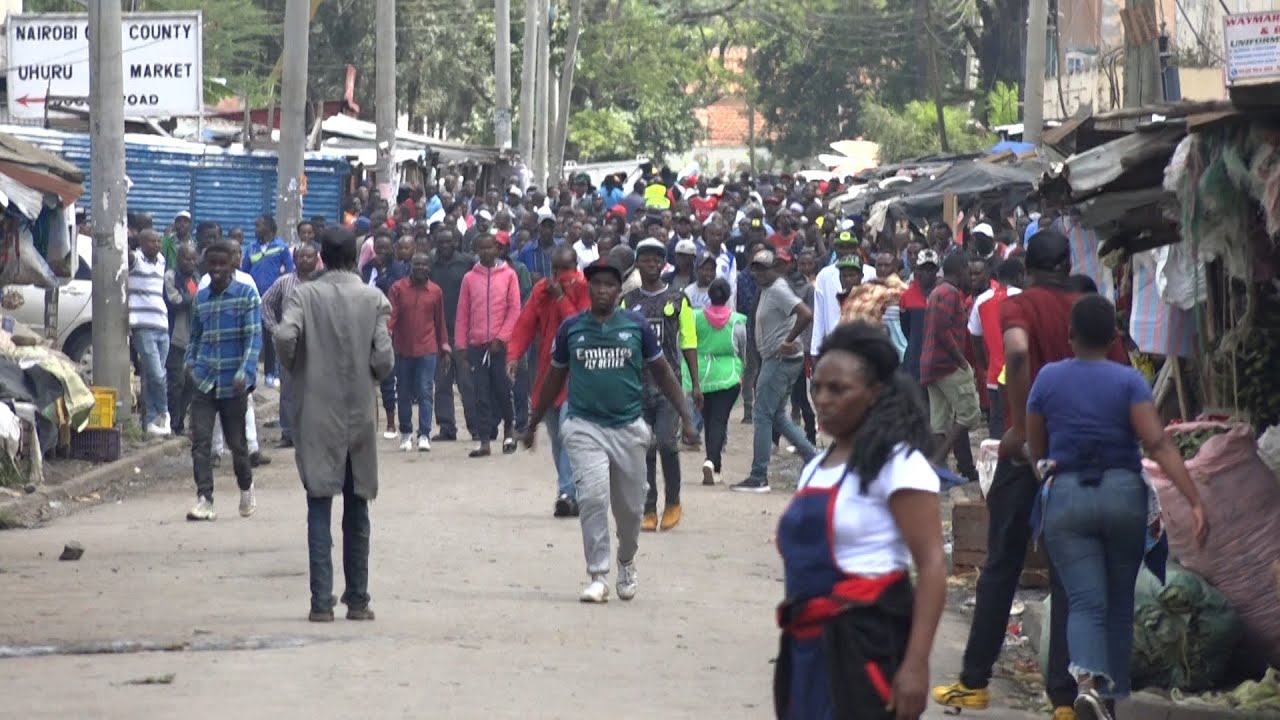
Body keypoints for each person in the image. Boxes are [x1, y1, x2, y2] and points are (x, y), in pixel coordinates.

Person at [931, 230, 1129, 719]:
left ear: (1026, 268)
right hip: (1084, 456)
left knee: (1002, 563)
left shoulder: (1018, 305)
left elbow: (1016, 352)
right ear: (1067, 264)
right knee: (1067, 575)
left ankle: (974, 683)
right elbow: (1122, 371)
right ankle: (1062, 700)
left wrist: (1021, 426)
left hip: (1029, 452)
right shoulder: (1090, 306)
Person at [1028, 294, 1208, 720]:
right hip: (1124, 496)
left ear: (1070, 336)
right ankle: (1108, 698)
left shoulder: (1049, 378)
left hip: (1068, 496)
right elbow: (1159, 443)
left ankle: (1086, 686)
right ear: (1113, 336)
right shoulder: (1129, 381)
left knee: (1084, 600)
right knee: (1117, 602)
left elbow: (1037, 445)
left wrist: (1046, 472)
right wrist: (1194, 499)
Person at [774, 322, 945, 720]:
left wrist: (916, 665)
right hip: (806, 647)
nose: (822, 400)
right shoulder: (815, 468)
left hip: (867, 646)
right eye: (817, 387)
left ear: (875, 394)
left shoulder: (899, 465)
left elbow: (933, 566)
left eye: (839, 390)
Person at [521, 258, 698, 603]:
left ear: (620, 291)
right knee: (593, 498)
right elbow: (554, 377)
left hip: (629, 428)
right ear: (589, 289)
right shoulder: (571, 329)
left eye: (609, 285)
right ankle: (598, 574)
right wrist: (533, 422)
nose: (603, 290)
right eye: (597, 284)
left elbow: (663, 373)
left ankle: (626, 560)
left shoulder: (636, 327)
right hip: (585, 427)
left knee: (631, 510)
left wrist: (687, 417)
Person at [275, 225, 394, 623]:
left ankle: (320, 603)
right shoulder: (373, 298)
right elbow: (384, 360)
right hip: (359, 411)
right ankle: (357, 600)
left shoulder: (303, 295)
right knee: (358, 506)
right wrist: (369, 377)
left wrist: (298, 369)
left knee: (319, 504)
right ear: (355, 254)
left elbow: (285, 335)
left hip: (316, 410)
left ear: (322, 256)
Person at [622, 238, 701, 531]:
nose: (652, 264)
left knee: (667, 443)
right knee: (645, 447)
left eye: (657, 259)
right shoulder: (627, 302)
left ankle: (673, 501)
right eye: (646, 259)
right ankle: (648, 508)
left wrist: (695, 384)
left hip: (669, 387)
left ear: (663, 263)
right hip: (636, 387)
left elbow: (689, 341)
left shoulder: (678, 299)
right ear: (638, 263)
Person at [507, 245, 589, 518]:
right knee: (556, 438)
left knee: (568, 433)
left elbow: (581, 327)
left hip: (576, 376)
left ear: (575, 268)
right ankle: (570, 492)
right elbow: (525, 324)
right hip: (547, 373)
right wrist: (514, 355)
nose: (559, 275)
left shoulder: (584, 288)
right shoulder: (543, 289)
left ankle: (567, 492)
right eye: (555, 270)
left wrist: (562, 298)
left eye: (565, 270)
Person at [184, 241, 261, 522]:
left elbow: (254, 339)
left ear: (232, 265)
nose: (216, 270)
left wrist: (245, 372)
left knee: (237, 444)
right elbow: (194, 337)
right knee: (200, 441)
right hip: (204, 380)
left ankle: (246, 486)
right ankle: (205, 498)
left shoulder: (245, 296)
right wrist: (190, 364)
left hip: (234, 383)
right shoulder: (201, 298)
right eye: (212, 264)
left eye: (222, 264)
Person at [733, 248, 817, 493]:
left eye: (763, 268)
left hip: (780, 360)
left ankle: (759, 476)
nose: (758, 273)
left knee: (762, 414)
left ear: (775, 268)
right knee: (778, 415)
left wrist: (789, 340)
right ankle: (813, 458)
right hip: (779, 360)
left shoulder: (778, 288)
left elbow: (805, 313)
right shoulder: (768, 288)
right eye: (755, 268)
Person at [456, 233, 522, 457]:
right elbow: (463, 313)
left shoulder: (509, 275)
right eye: (480, 248)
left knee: (503, 390)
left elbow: (514, 309)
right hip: (477, 345)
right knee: (480, 393)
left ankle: (509, 431)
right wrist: (461, 344)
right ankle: (484, 440)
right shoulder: (469, 278)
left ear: (497, 249)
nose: (485, 252)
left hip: (500, 346)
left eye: (489, 248)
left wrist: (501, 337)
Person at [920, 251, 981, 483]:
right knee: (969, 414)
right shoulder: (950, 293)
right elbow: (941, 328)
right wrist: (960, 359)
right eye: (968, 271)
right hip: (946, 364)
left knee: (939, 421)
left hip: (931, 365)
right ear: (962, 268)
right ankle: (936, 461)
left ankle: (940, 473)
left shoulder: (938, 291)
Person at [388, 253, 450, 452]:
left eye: (424, 264)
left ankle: (424, 434)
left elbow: (440, 321)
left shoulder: (436, 291)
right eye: (417, 264)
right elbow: (392, 316)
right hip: (403, 349)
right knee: (404, 392)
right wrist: (386, 334)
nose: (420, 267)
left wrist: (445, 347)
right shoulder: (398, 288)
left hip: (427, 348)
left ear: (429, 267)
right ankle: (406, 433)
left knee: (425, 391)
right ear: (410, 267)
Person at [261, 242, 320, 449]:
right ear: (295, 259)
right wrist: (275, 329)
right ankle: (288, 433)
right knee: (288, 389)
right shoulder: (284, 281)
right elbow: (265, 303)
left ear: (316, 259)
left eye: (309, 256)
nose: (305, 260)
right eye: (301, 256)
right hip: (289, 343)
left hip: (317, 343)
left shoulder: (323, 283)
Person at [693, 278, 746, 486]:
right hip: (728, 376)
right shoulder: (737, 321)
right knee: (720, 421)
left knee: (708, 420)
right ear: (728, 296)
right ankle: (712, 463)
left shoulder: (697, 318)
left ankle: (714, 466)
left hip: (704, 376)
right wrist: (742, 371)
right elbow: (742, 351)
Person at [431, 227, 479, 442]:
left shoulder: (467, 263)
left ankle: (476, 427)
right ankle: (447, 428)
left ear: (455, 242)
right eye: (440, 242)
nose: (444, 246)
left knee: (467, 383)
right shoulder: (430, 266)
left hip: (464, 333)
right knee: (441, 384)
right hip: (439, 333)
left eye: (448, 242)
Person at [968, 258, 1024, 440]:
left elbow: (974, 337)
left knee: (997, 422)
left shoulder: (981, 301)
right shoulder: (1022, 296)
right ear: (1019, 276)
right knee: (1019, 423)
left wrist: (984, 364)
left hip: (993, 374)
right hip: (1020, 374)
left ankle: (997, 465)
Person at [241, 214, 294, 388]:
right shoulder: (251, 248)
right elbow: (244, 272)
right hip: (254, 299)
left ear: (270, 228)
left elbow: (289, 270)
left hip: (273, 301)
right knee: (252, 336)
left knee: (272, 336)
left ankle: (272, 373)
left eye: (259, 226)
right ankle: (251, 372)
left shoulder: (281, 247)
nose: (256, 229)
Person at [128, 229, 171, 436]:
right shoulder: (135, 259)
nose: (157, 245)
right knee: (156, 373)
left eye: (158, 241)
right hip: (142, 325)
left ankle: (151, 423)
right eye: (152, 241)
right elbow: (124, 253)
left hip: (162, 325)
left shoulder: (162, 260)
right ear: (142, 243)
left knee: (155, 377)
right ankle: (164, 413)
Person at [363, 231, 401, 439]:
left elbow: (394, 291)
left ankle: (391, 422)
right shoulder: (367, 269)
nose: (381, 252)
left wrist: (383, 273)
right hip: (365, 326)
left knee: (387, 374)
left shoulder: (398, 269)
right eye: (378, 248)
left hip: (388, 327)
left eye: (386, 248)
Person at [163, 242, 199, 435]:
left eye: (194, 258)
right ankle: (174, 423)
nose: (191, 262)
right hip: (175, 338)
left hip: (192, 339)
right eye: (187, 258)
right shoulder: (170, 276)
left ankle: (179, 422)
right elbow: (175, 301)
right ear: (179, 258)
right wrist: (194, 298)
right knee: (175, 382)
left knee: (190, 383)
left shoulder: (195, 279)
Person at [899, 249, 939, 381]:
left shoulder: (942, 294)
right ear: (917, 270)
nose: (927, 273)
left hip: (937, 359)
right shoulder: (907, 296)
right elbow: (905, 328)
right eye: (924, 269)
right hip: (914, 357)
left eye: (931, 269)